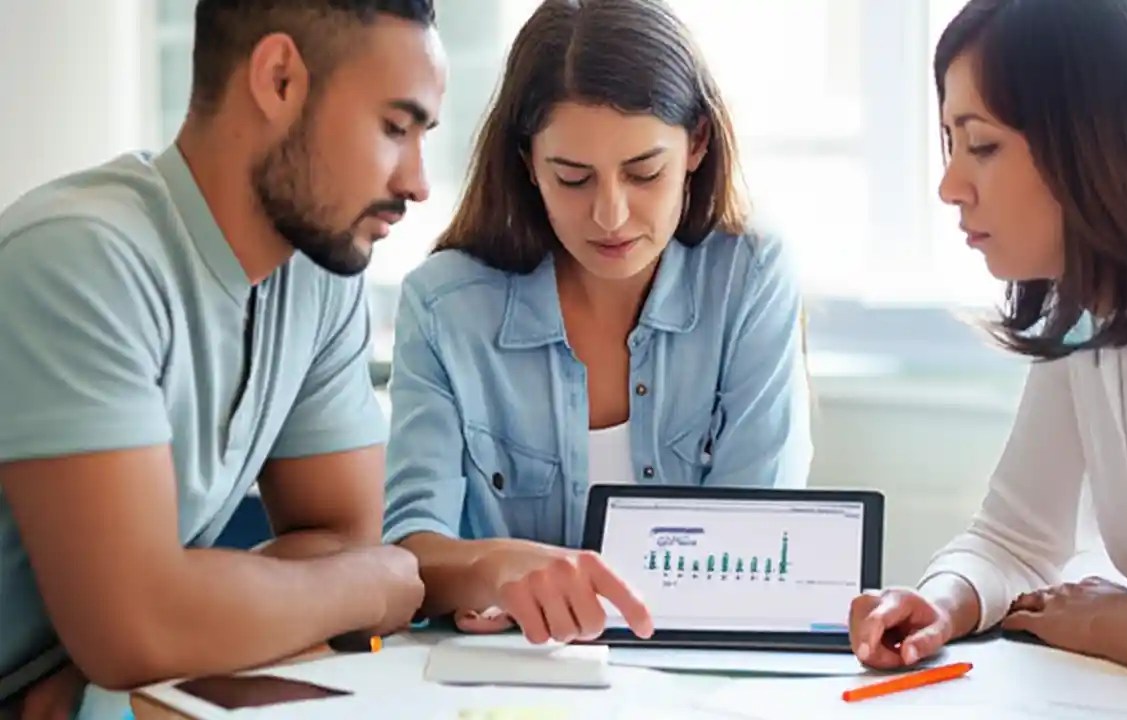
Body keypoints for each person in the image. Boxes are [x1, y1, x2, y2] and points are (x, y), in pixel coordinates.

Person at [0, 0, 445, 717]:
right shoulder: (78, 259)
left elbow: (343, 539)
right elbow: (140, 628)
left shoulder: (317, 276)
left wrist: (164, 615)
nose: (418, 182)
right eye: (394, 128)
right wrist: (367, 588)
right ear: (278, 81)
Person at [846, 0, 1127, 714]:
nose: (950, 186)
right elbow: (1015, 539)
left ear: (1092, 143)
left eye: (980, 146)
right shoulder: (1087, 312)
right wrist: (938, 603)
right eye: (951, 145)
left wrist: (1108, 622)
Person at [383, 0, 812, 645]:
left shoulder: (749, 278)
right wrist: (491, 573)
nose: (610, 216)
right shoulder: (444, 308)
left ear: (696, 143)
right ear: (529, 163)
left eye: (644, 173)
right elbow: (412, 554)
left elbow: (753, 543)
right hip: (510, 683)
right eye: (573, 177)